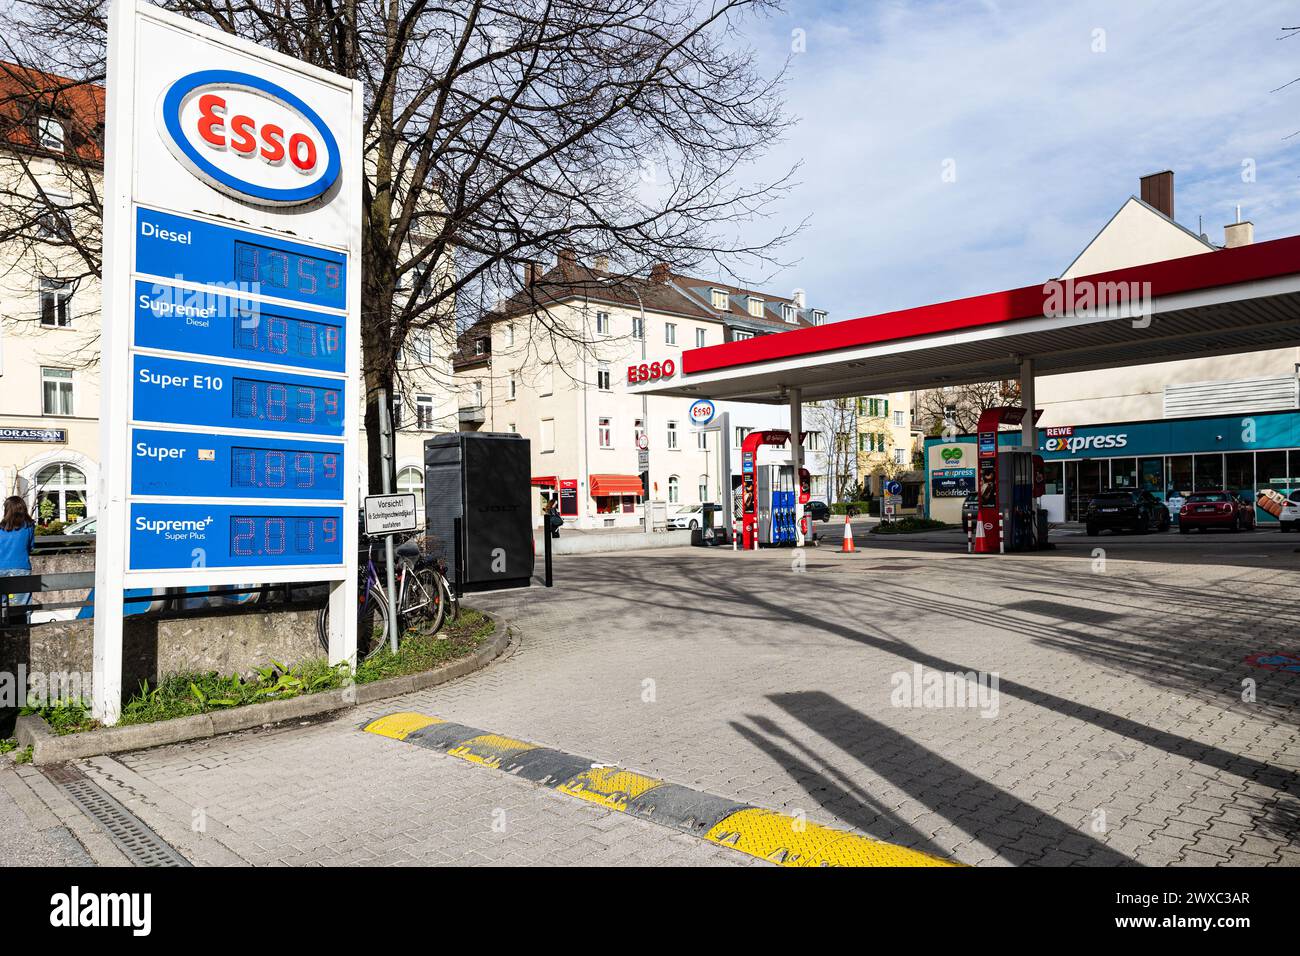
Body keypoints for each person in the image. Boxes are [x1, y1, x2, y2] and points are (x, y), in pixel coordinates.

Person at [0, 496, 37, 623]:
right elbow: (31, 547)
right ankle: (22, 633)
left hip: (1, 569)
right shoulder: (29, 527)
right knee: (22, 606)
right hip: (22, 568)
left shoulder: (0, 528)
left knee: (3, 606)